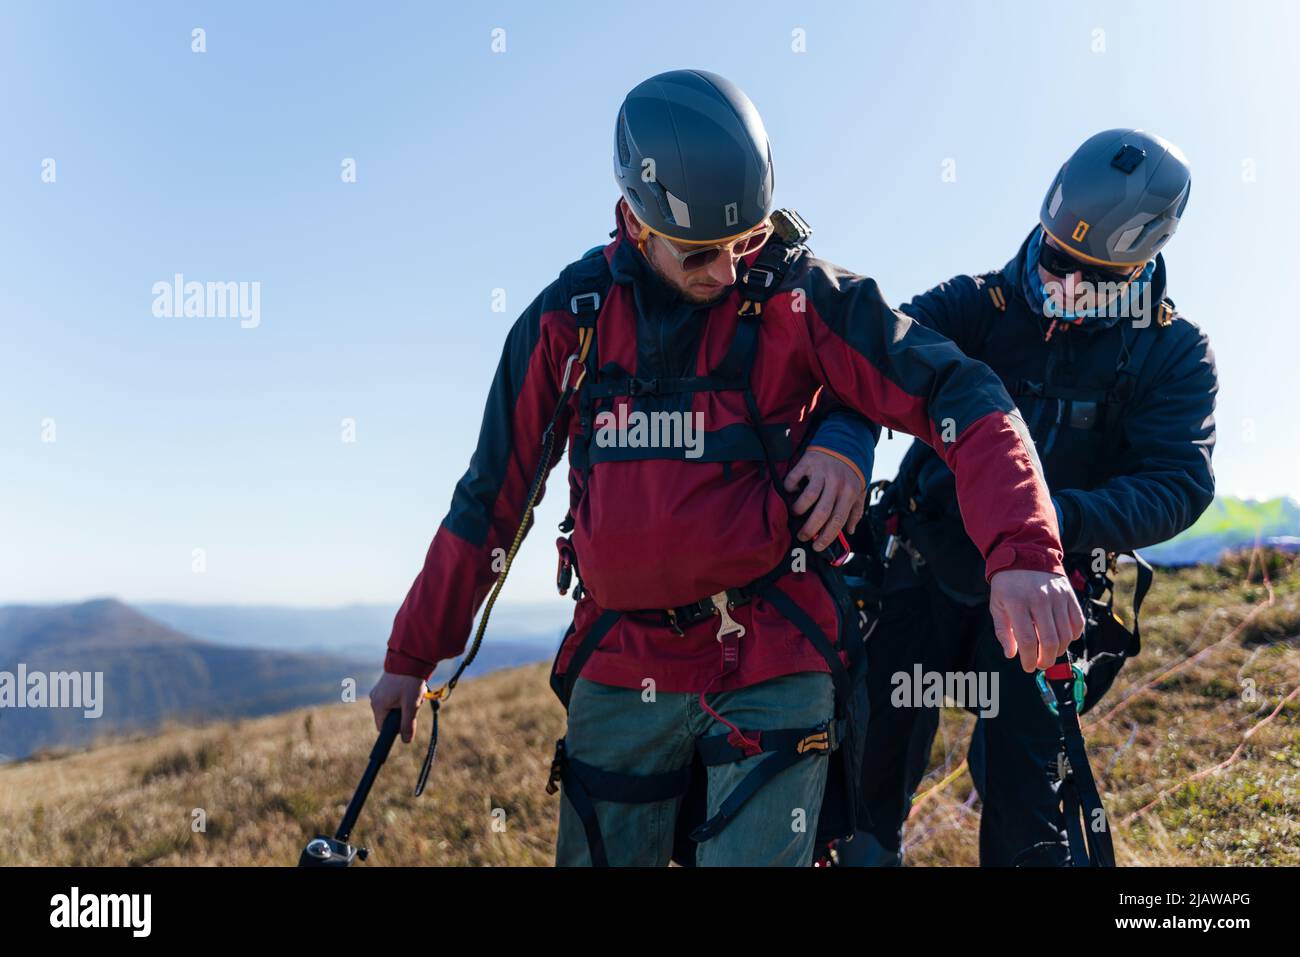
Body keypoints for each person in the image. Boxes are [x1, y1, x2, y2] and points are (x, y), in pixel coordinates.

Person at [369, 69, 1083, 867]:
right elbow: (488, 500)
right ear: (636, 224)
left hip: (775, 650)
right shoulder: (567, 324)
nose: (730, 269)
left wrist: (1023, 554)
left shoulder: (802, 300)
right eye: (703, 252)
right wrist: (411, 657)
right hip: (619, 659)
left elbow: (962, 392)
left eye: (747, 240)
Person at [838, 129, 1217, 867]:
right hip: (925, 567)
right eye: (1052, 257)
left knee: (1025, 804)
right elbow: (867, 357)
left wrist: (1052, 522)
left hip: (1047, 599)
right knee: (867, 776)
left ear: (1141, 261)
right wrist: (844, 447)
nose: (1061, 284)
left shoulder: (1171, 353)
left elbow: (1180, 481)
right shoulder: (975, 305)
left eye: (1091, 275)